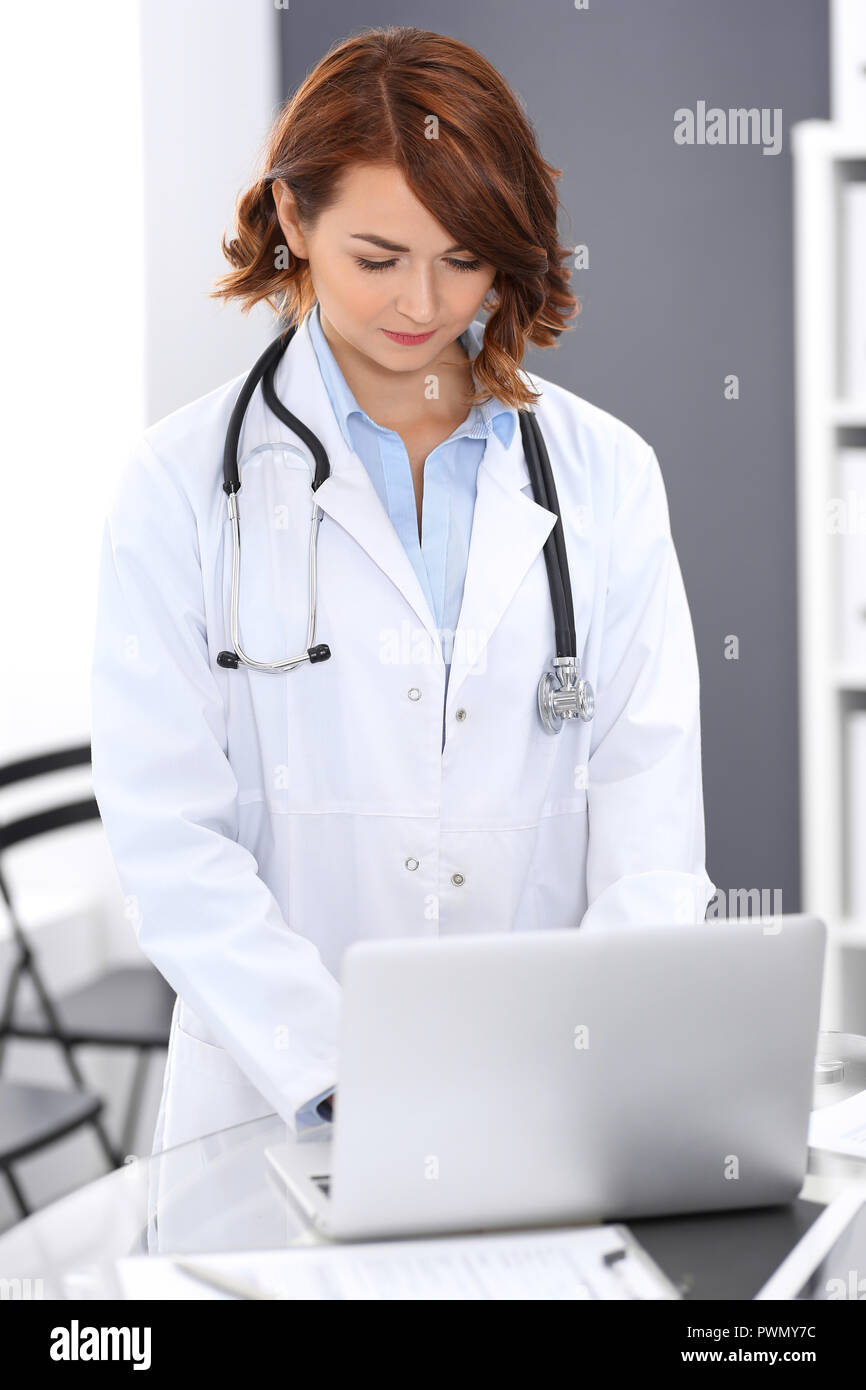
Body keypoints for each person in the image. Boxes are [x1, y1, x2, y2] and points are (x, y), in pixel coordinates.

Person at [90, 25, 716, 1156]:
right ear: (292, 218)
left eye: (463, 256)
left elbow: (649, 833)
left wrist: (603, 1063)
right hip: (276, 1120)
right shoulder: (179, 487)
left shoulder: (606, 477)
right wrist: (342, 1079)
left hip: (546, 1114)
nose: (422, 304)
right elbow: (169, 841)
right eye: (376, 257)